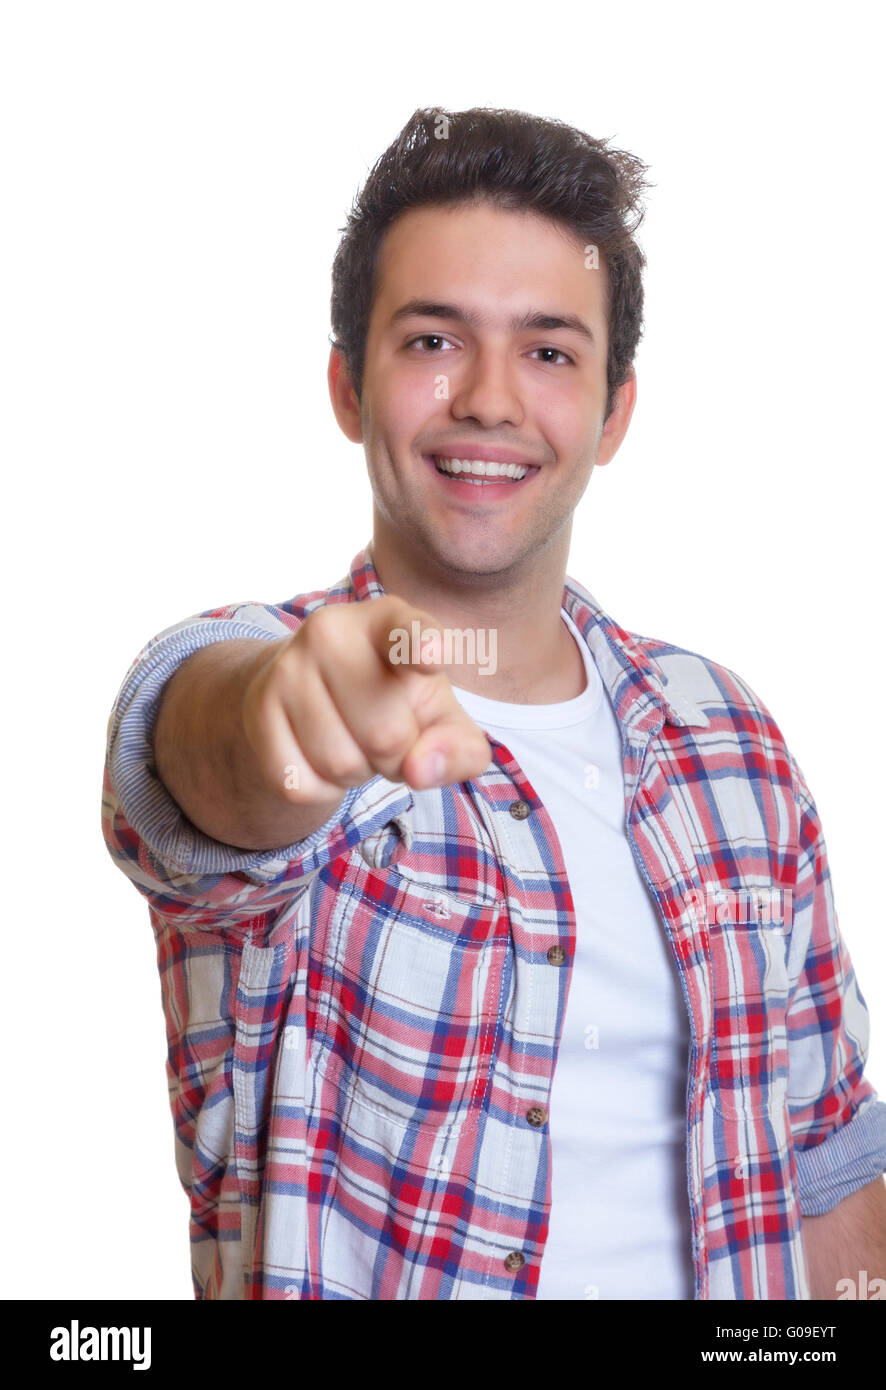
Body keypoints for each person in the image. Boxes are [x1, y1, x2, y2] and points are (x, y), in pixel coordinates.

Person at [102, 106, 886, 1301]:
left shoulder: (731, 739)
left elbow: (823, 1162)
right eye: (431, 340)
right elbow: (206, 747)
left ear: (614, 411)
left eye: (549, 350)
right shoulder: (280, 673)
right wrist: (290, 719)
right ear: (347, 387)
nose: (487, 399)